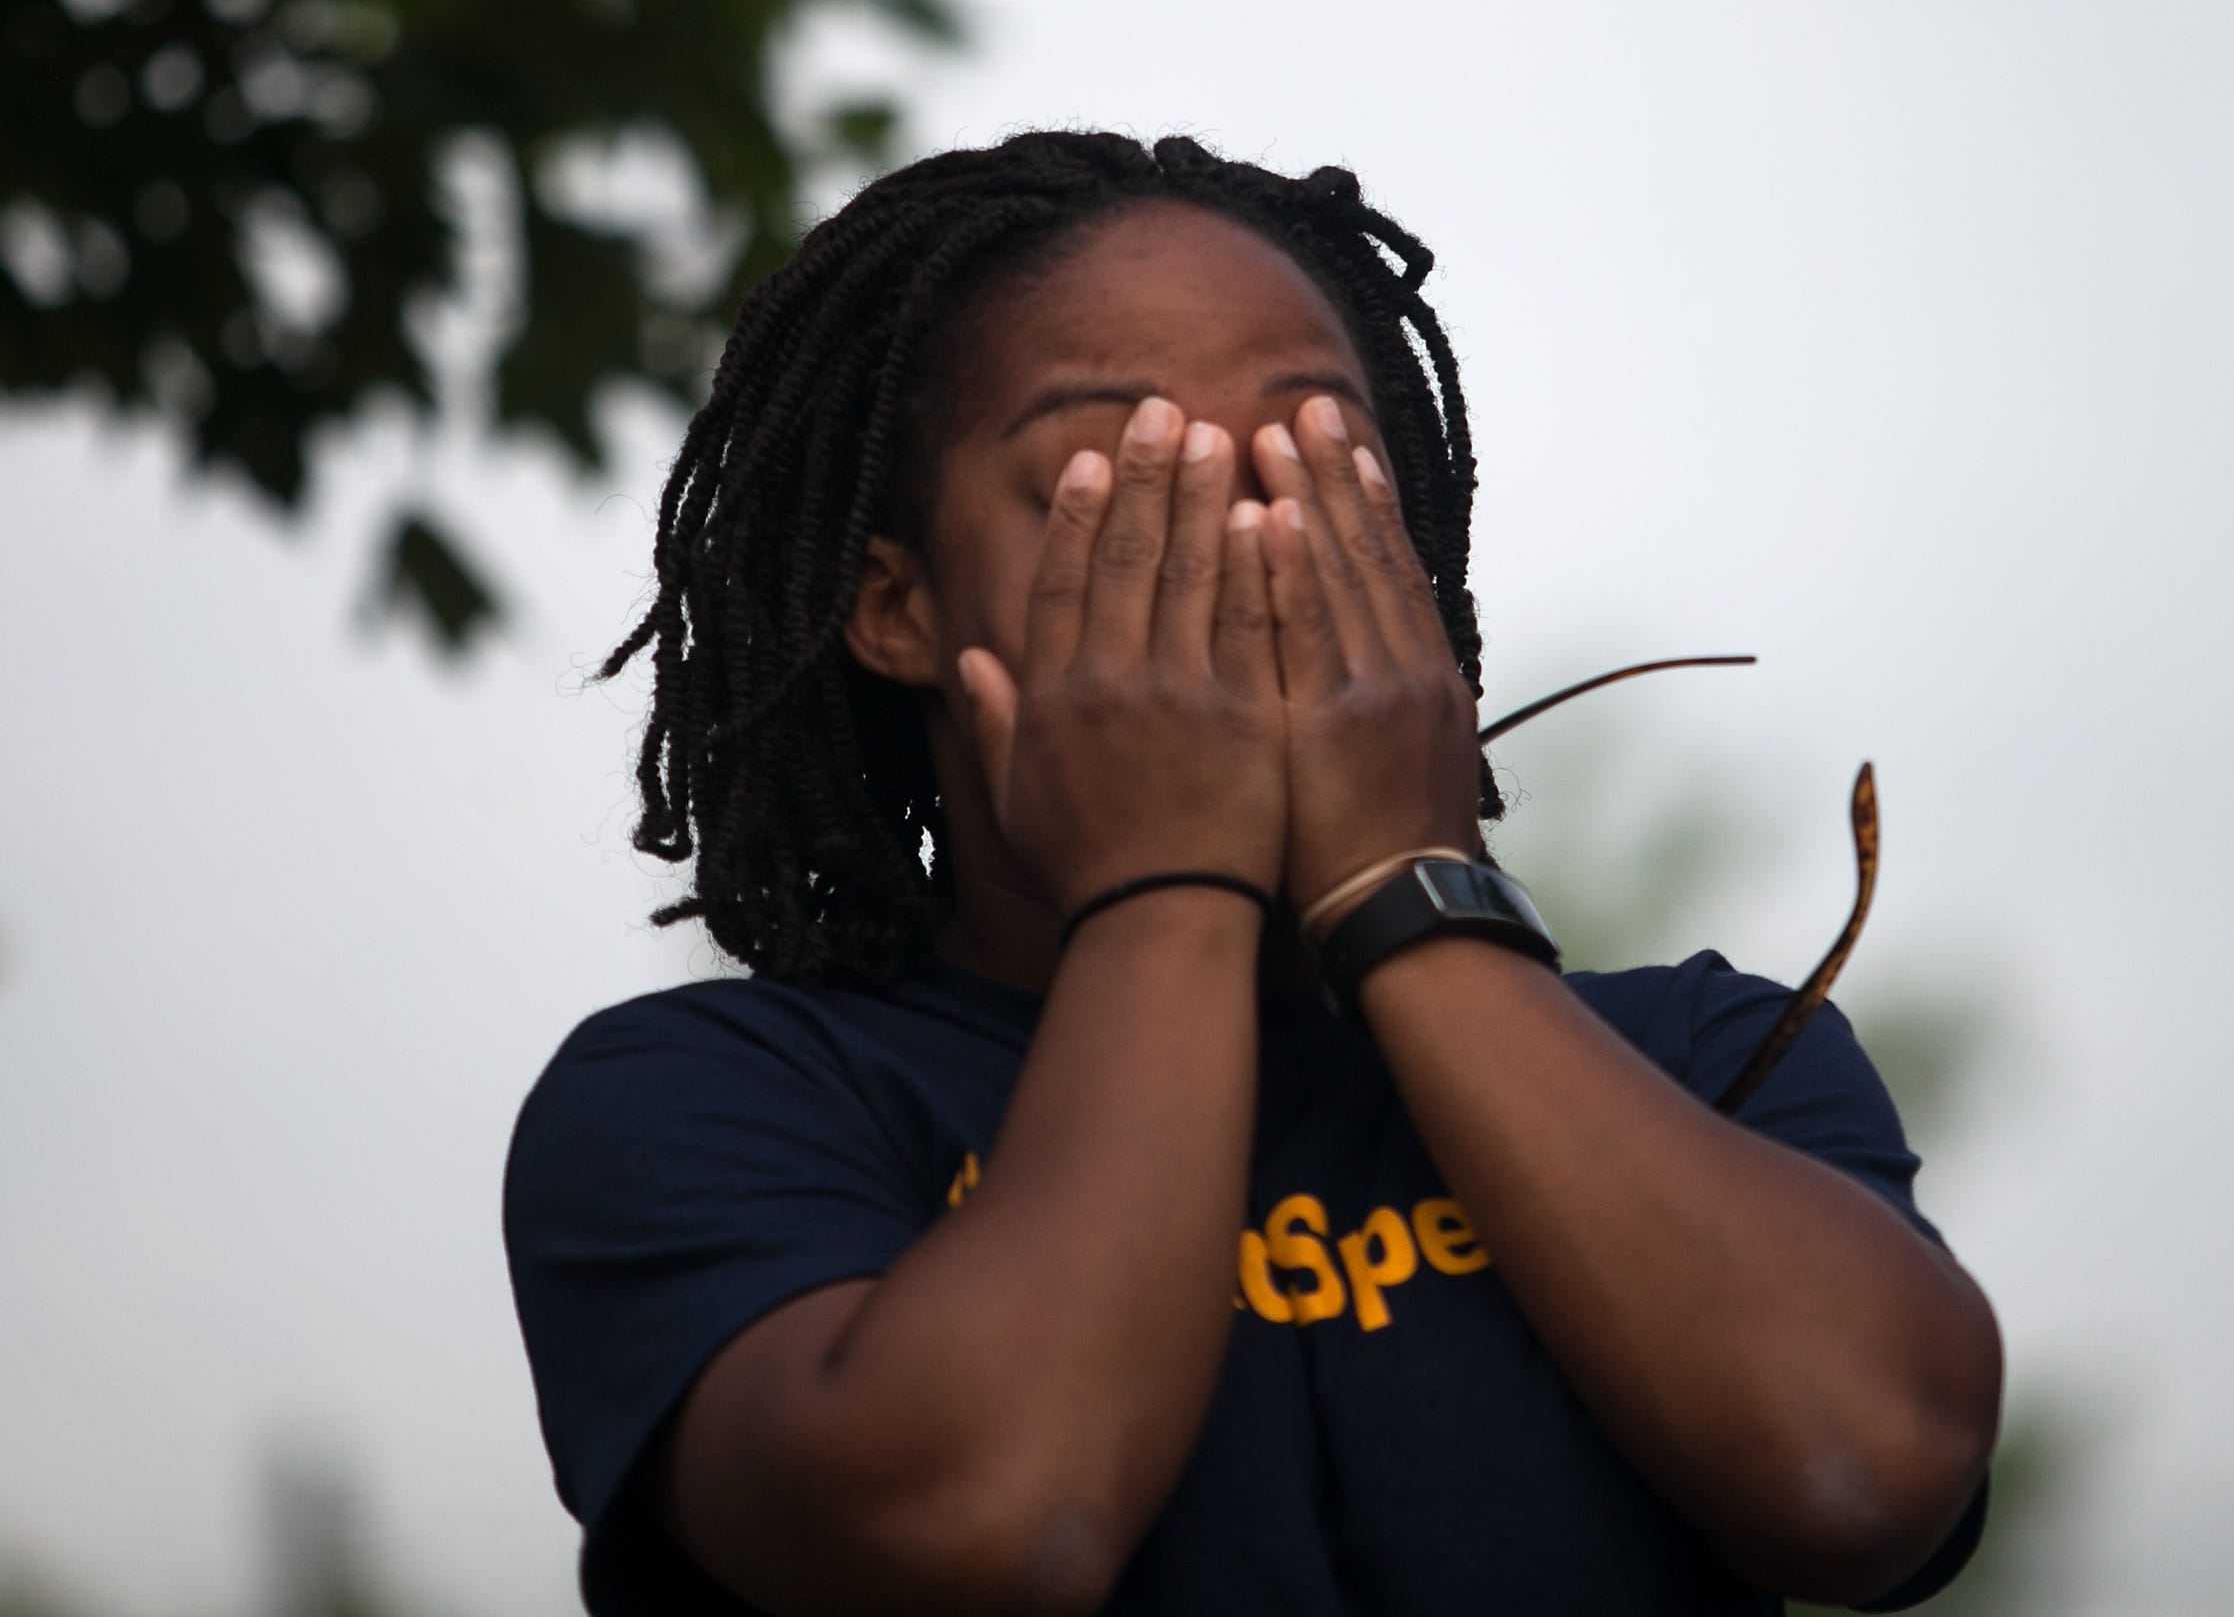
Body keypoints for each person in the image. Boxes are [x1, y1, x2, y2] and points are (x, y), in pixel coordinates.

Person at [502, 130, 2002, 1617]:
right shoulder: (716, 1102)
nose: (1235, 547)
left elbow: (1862, 1472)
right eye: (1113, 479)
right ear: (897, 606)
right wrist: (1168, 889)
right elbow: (985, 1516)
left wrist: (1407, 889)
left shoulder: (1696, 1058)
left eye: (1314, 462)